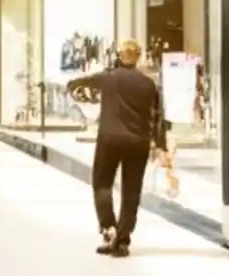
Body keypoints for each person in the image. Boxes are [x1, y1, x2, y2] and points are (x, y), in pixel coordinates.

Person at [67, 39, 165, 258]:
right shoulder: (148, 84)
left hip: (110, 139)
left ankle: (108, 227)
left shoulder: (108, 78)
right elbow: (158, 116)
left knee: (102, 183)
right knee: (131, 192)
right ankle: (122, 240)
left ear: (119, 55)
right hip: (138, 142)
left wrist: (77, 93)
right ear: (138, 57)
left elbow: (77, 84)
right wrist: (160, 145)